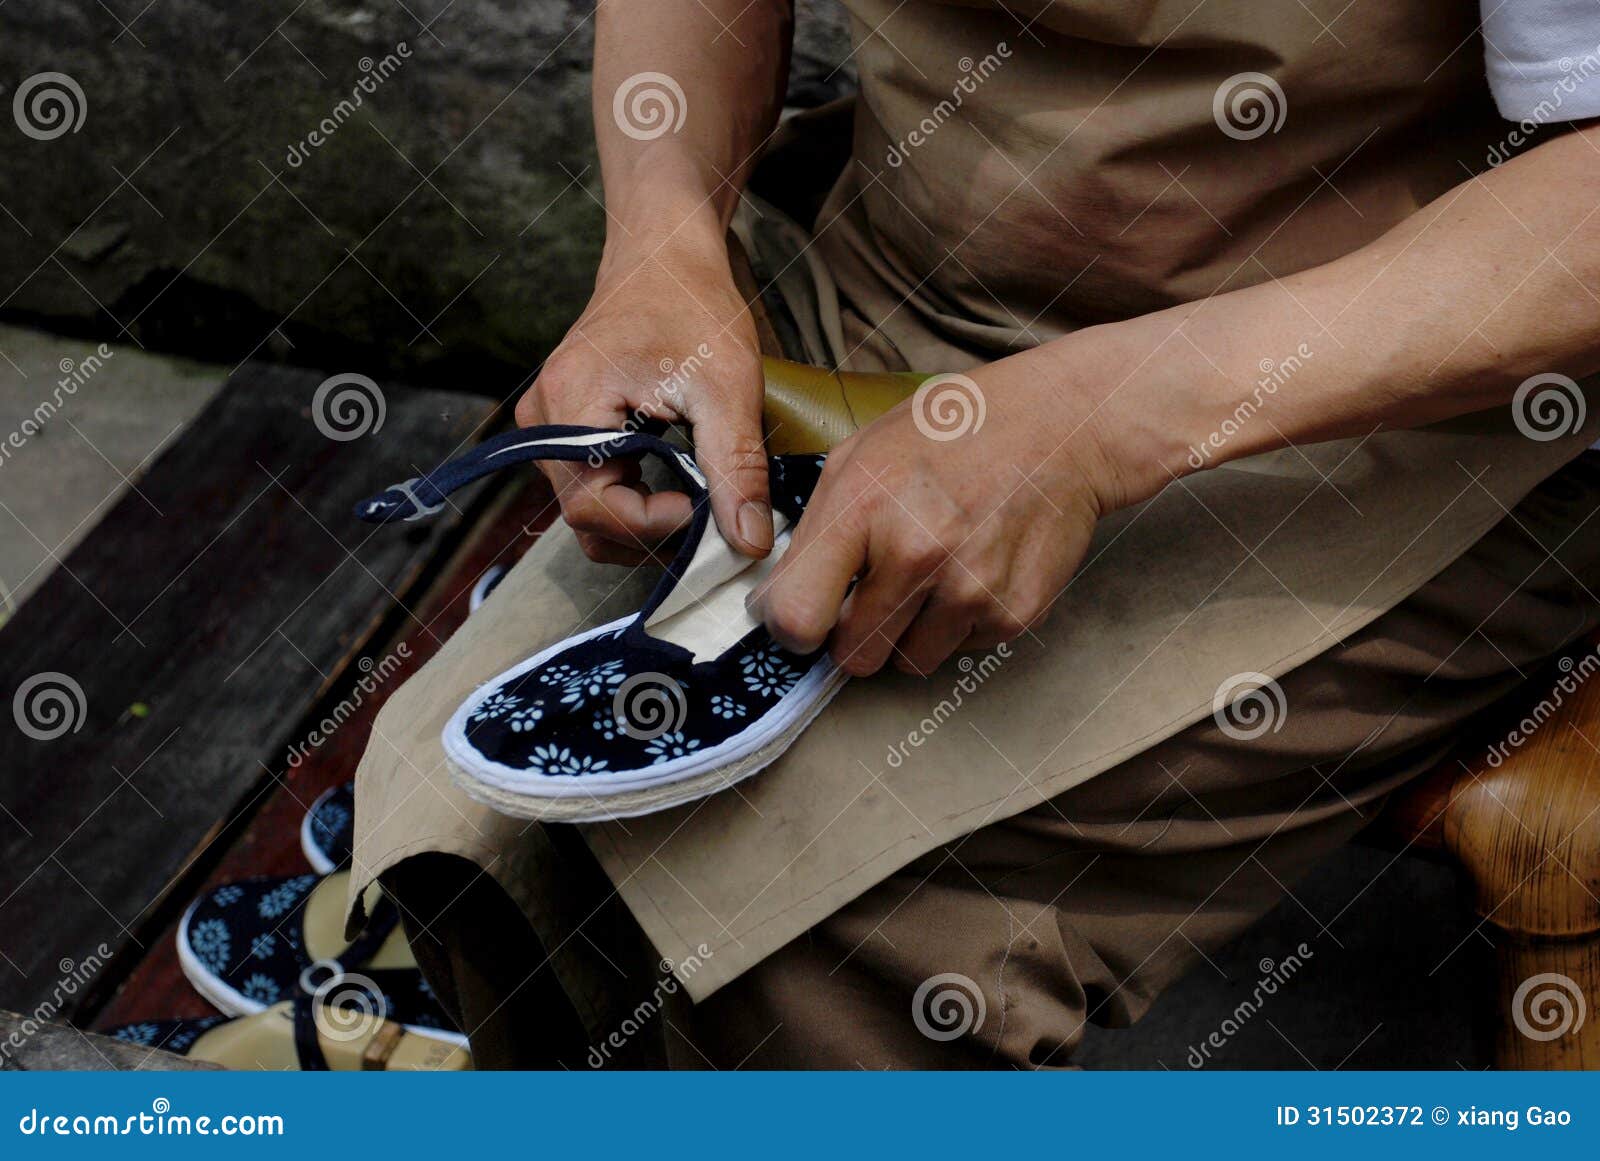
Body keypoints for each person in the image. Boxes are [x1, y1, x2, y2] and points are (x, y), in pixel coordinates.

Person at [354, 0, 1600, 1066]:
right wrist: (662, 242)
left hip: (1358, 400)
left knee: (807, 935)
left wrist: (1103, 420)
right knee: (472, 830)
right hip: (889, 295)